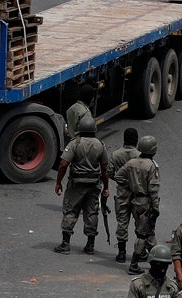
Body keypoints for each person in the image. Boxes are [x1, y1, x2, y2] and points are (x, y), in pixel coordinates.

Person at [53, 115, 109, 255]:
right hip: (94, 185)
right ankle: (90, 245)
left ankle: (65, 244)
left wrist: (58, 182)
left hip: (76, 185)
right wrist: (106, 187)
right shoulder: (100, 144)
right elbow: (105, 168)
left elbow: (63, 164)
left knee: (70, 211)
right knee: (92, 213)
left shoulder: (74, 144)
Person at [116, 135, 161, 274]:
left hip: (135, 201)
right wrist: (156, 208)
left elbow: (118, 176)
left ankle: (156, 260)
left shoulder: (131, 163)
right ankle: (134, 264)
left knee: (147, 232)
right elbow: (153, 189)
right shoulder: (151, 166)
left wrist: (131, 184)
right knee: (143, 234)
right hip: (146, 203)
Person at [107, 128, 139, 263]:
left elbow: (109, 172)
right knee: (140, 223)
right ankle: (140, 252)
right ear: (136, 140)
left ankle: (121, 252)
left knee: (122, 222)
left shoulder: (116, 154)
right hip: (137, 194)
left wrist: (120, 180)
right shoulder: (140, 155)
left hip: (122, 193)